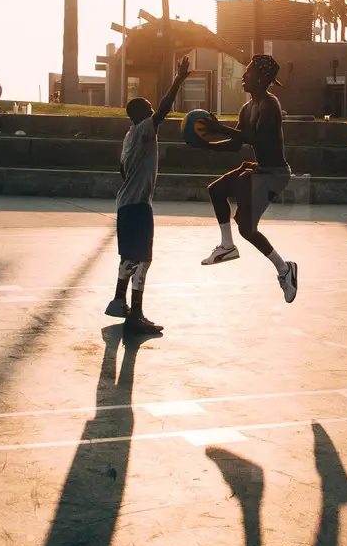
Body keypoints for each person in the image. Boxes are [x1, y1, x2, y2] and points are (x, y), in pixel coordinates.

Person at [199, 54, 298, 302]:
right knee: (216, 191)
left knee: (245, 217)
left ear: (263, 79)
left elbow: (255, 138)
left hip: (274, 174)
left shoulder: (270, 105)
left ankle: (284, 269)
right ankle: (229, 247)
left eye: (249, 72)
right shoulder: (247, 108)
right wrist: (207, 145)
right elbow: (235, 144)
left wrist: (219, 128)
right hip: (261, 170)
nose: (244, 76)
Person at [105, 56, 191, 336]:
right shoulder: (144, 129)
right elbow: (164, 110)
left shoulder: (128, 136)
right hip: (138, 205)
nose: (154, 111)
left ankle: (119, 302)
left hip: (125, 203)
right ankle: (136, 315)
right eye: (149, 109)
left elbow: (120, 169)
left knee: (129, 256)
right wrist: (178, 79)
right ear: (141, 114)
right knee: (143, 259)